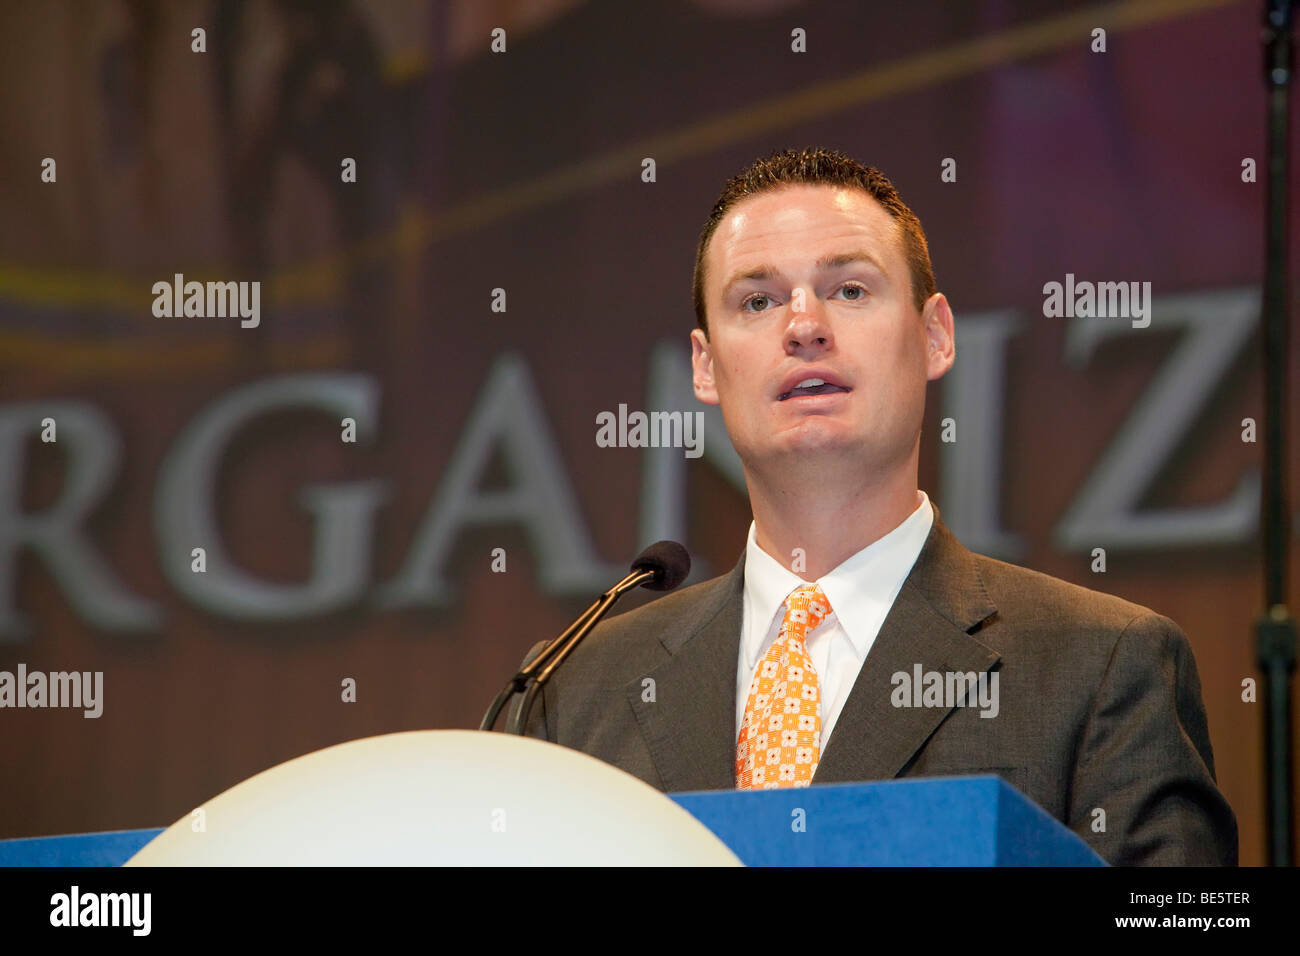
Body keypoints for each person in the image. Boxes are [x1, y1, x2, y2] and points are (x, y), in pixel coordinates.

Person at [521, 146, 1237, 866]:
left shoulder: (1104, 665)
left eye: (851, 290)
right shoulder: (573, 690)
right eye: (758, 301)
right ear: (705, 367)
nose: (803, 326)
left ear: (935, 336)